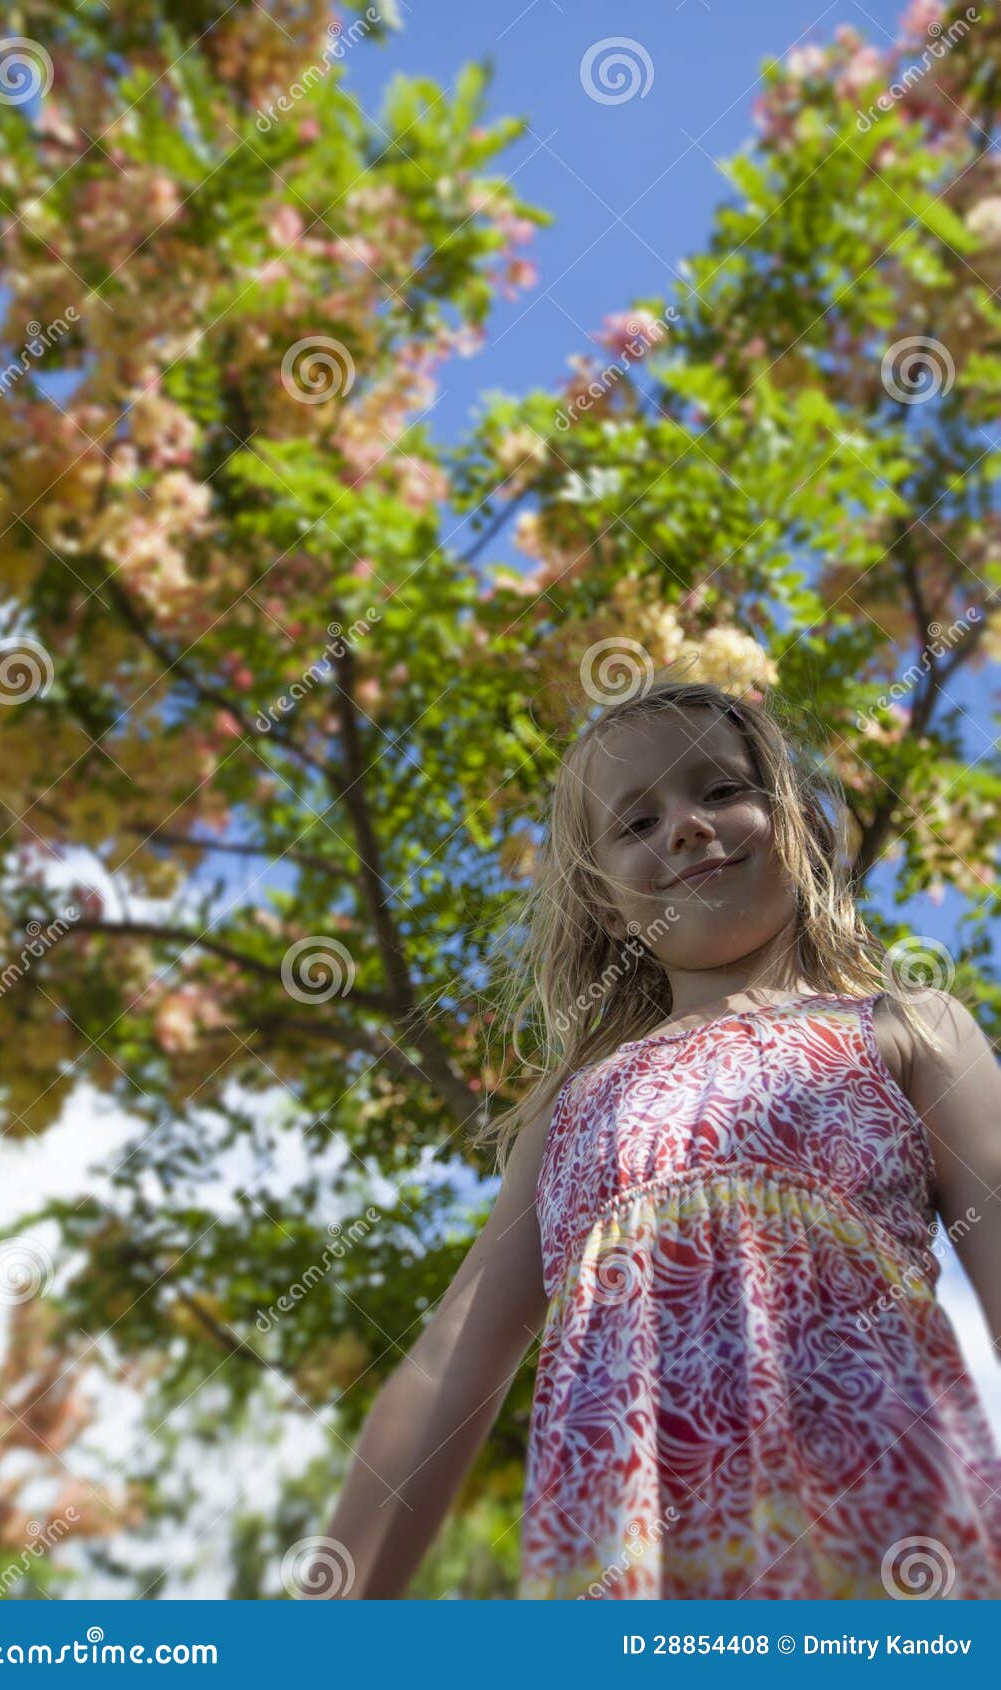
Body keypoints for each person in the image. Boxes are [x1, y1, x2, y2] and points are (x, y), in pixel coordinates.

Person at [320, 672, 1001, 1599]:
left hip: (883, 1542)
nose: (683, 825)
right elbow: (453, 1358)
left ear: (796, 821)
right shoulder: (574, 1103)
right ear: (603, 900)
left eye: (721, 790)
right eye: (635, 823)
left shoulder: (906, 1030)